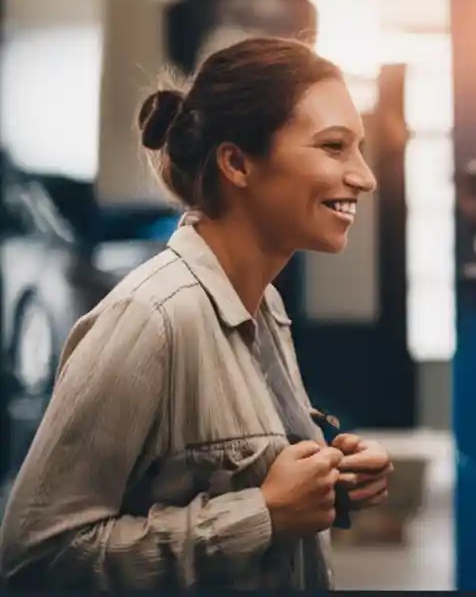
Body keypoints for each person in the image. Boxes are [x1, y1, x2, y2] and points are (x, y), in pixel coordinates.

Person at [0, 37, 392, 590]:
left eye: (359, 148)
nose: (365, 176)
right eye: (334, 147)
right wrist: (262, 515)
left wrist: (326, 487)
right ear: (237, 162)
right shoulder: (150, 319)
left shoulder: (264, 307)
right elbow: (36, 558)